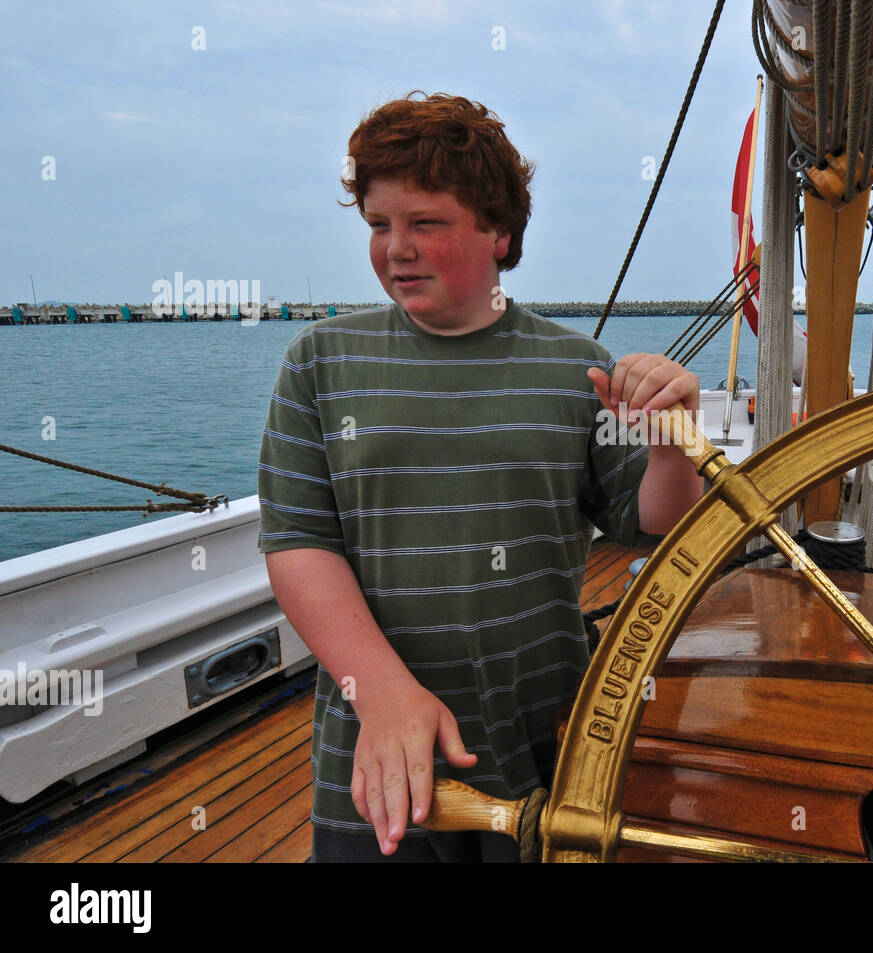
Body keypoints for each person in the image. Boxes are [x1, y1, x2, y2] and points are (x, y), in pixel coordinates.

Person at [257, 92, 702, 862]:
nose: (396, 247)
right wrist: (385, 693)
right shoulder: (318, 364)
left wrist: (671, 448)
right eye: (378, 225)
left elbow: (654, 522)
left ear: (500, 232)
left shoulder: (575, 367)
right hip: (374, 758)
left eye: (425, 223)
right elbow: (299, 541)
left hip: (547, 743)